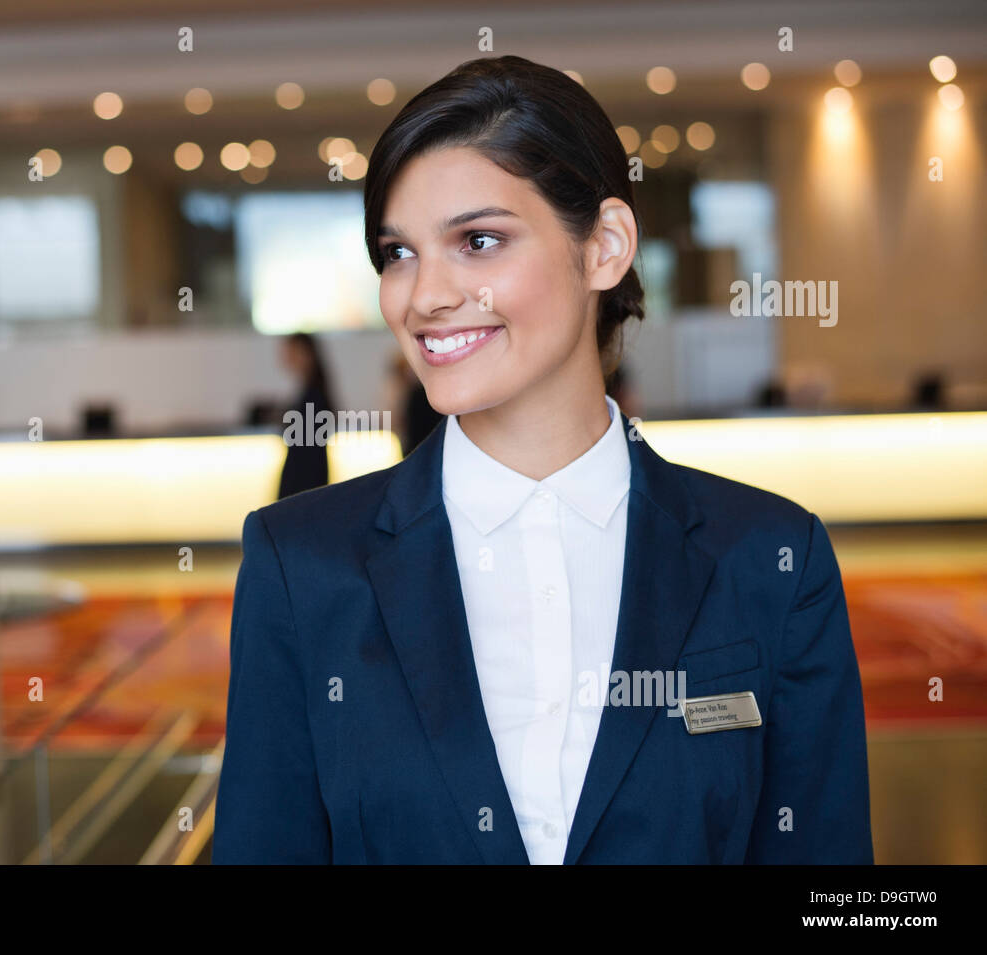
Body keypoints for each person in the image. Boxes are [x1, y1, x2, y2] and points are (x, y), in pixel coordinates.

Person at [215, 55, 872, 864]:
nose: (422, 297)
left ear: (604, 246)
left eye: (479, 241)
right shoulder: (302, 565)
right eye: (398, 253)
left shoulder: (770, 558)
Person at [275, 332, 335, 500]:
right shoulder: (310, 392)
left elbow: (308, 454)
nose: (287, 357)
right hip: (306, 482)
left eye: (292, 351)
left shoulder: (313, 396)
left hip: (304, 484)